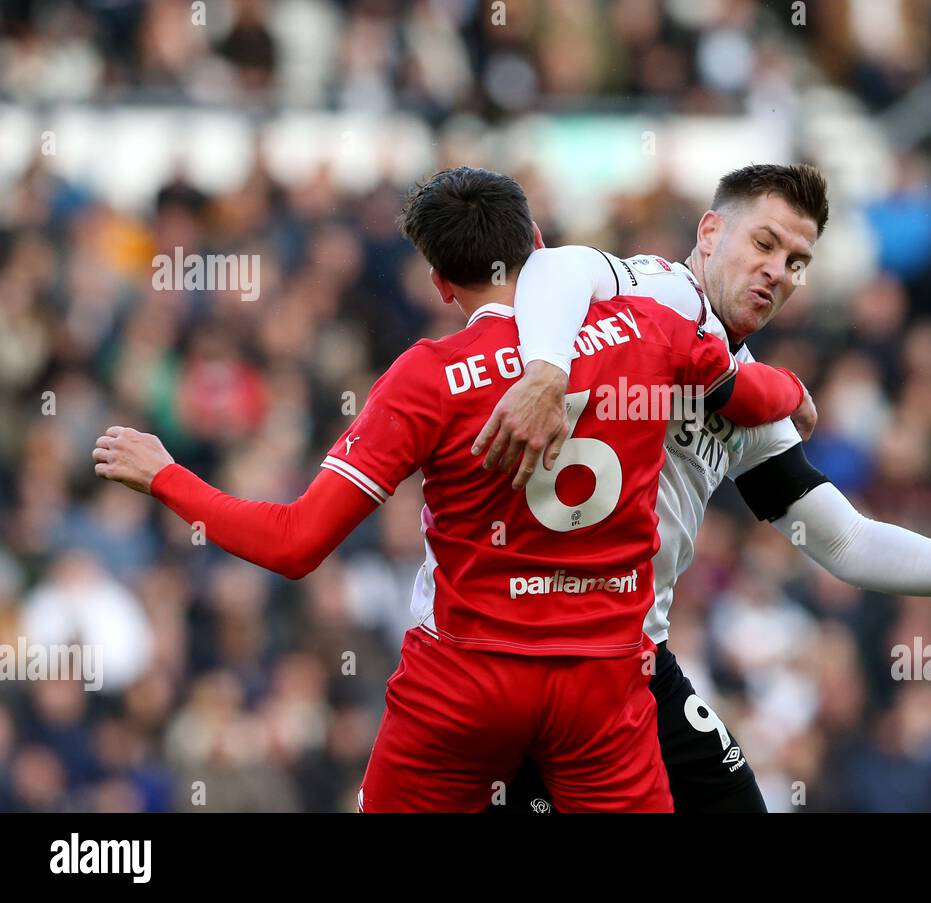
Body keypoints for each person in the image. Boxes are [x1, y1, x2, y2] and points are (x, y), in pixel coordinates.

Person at [91, 167, 810, 812]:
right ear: (537, 243)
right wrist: (795, 393)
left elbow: (295, 542)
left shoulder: (427, 377)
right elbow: (743, 386)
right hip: (601, 682)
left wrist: (167, 477)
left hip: (464, 679)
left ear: (439, 282)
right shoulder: (647, 328)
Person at [478, 163, 931, 813]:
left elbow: (844, 540)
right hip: (526, 645)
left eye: (797, 261)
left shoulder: (744, 391)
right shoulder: (655, 292)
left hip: (631, 660)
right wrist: (546, 373)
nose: (778, 271)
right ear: (709, 232)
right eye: (763, 244)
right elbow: (555, 268)